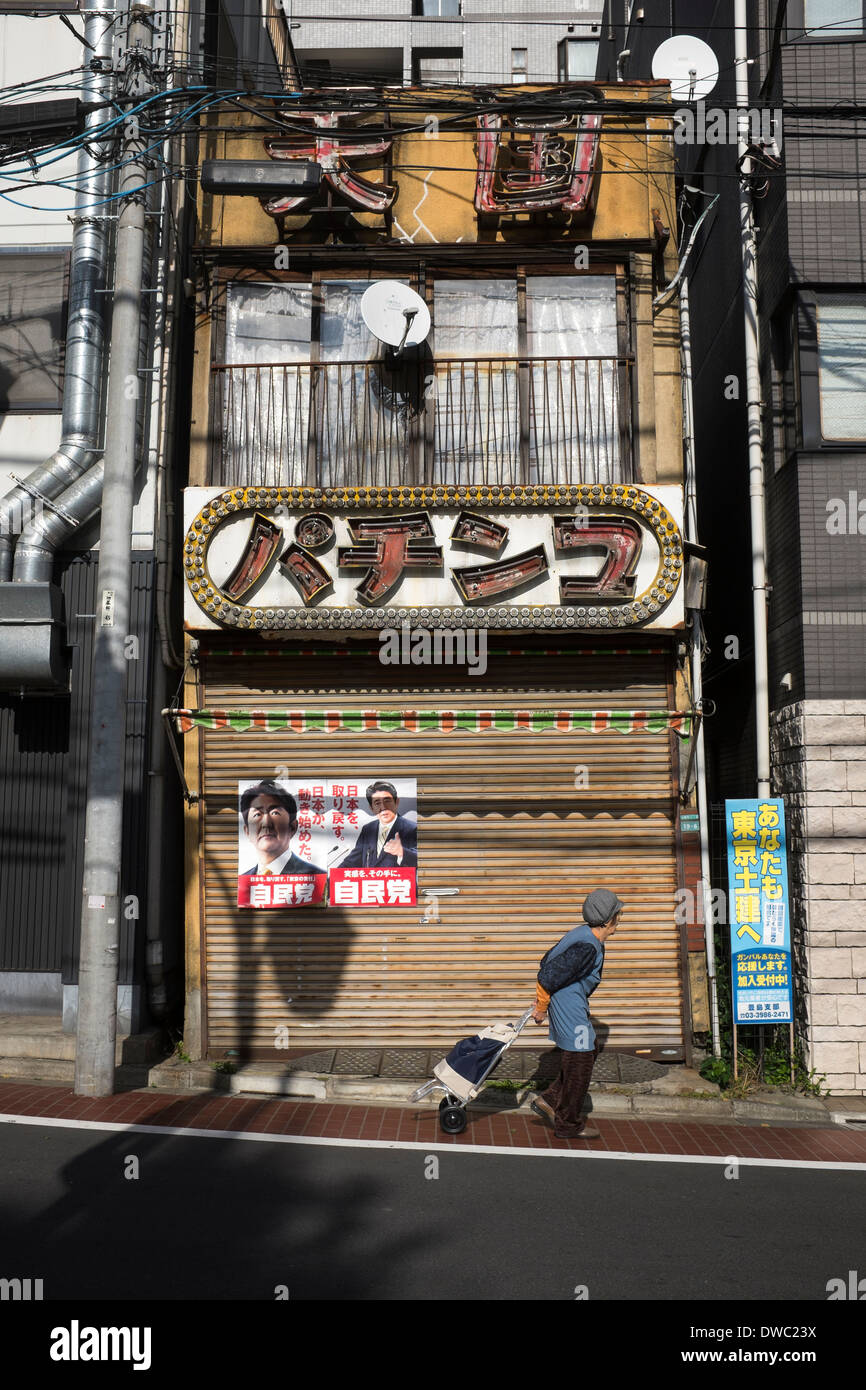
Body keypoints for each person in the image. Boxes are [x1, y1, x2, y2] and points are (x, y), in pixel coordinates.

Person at [529, 888, 624, 1140]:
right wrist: (541, 1007)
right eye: (618, 913)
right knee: (580, 1062)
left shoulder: (582, 934)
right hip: (569, 1008)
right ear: (608, 919)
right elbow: (547, 975)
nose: (620, 917)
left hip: (570, 1003)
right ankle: (567, 1123)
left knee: (588, 1048)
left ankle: (550, 1100)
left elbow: (546, 959)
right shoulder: (588, 946)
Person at [238, 780, 325, 879]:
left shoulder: (317, 878)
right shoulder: (242, 882)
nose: (266, 823)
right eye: (257, 814)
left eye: (275, 813)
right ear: (247, 832)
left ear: (292, 827)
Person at [340, 780, 418, 869]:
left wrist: (402, 852)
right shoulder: (367, 829)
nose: (383, 808)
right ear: (372, 808)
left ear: (396, 802)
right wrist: (330, 880)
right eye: (377, 803)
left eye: (387, 801)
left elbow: (422, 860)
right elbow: (351, 862)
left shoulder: (412, 828)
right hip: (371, 882)